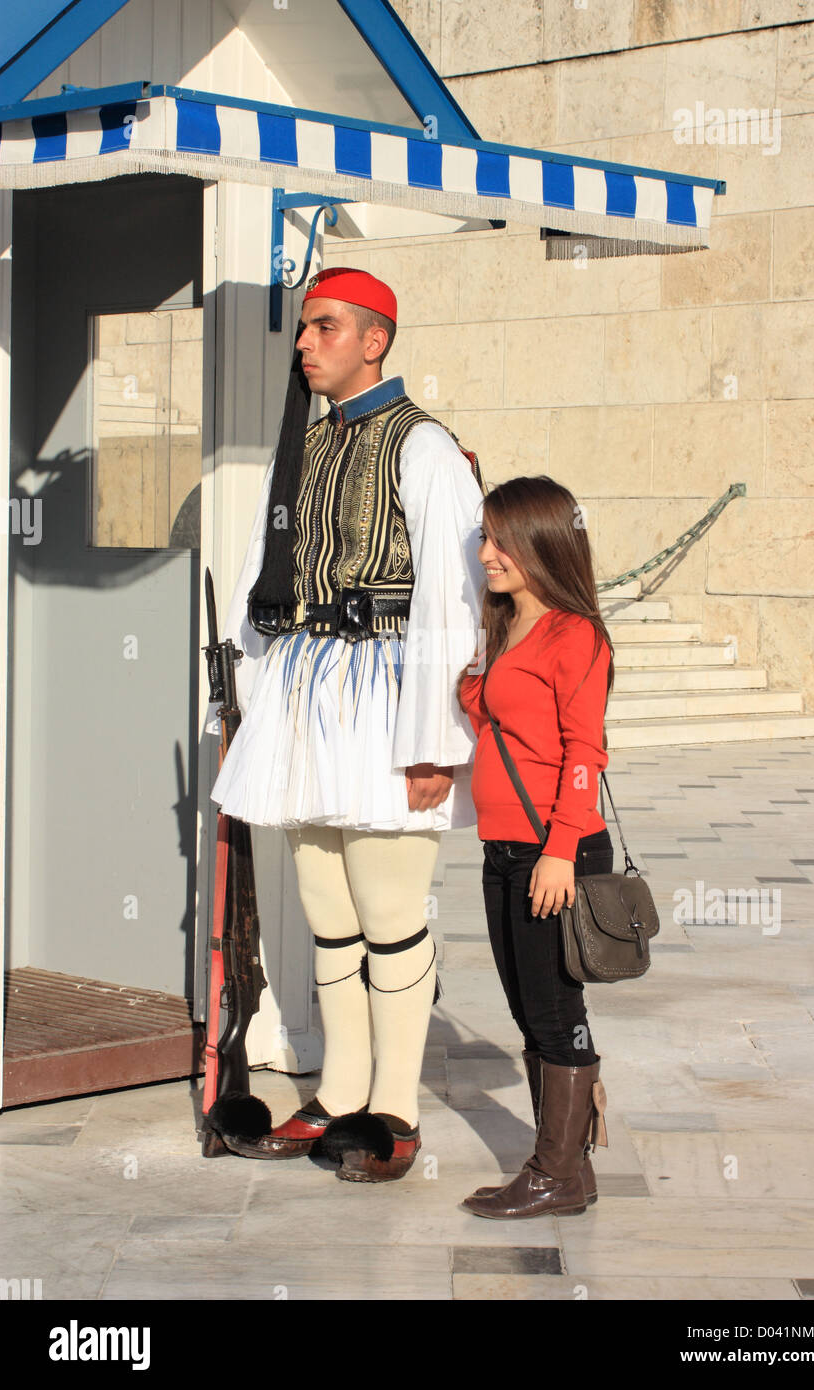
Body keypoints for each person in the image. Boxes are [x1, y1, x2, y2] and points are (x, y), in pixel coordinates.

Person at [206, 267, 486, 1181]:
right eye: (302, 328)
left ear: (375, 339)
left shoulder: (425, 447)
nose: (304, 343)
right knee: (328, 910)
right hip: (303, 695)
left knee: (390, 907)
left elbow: (453, 599)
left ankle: (396, 1109)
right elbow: (262, 577)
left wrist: (436, 742)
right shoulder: (305, 446)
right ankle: (341, 1092)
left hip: (387, 695)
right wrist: (246, 696)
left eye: (323, 327)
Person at [454, 475, 615, 1218]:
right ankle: (566, 1171)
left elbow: (585, 752)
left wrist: (559, 849)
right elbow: (500, 714)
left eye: (499, 539)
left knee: (556, 1014)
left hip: (555, 854)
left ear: (541, 543)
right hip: (504, 851)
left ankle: (554, 1174)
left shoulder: (575, 635)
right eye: (485, 538)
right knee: (530, 1011)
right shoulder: (508, 625)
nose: (486, 553)